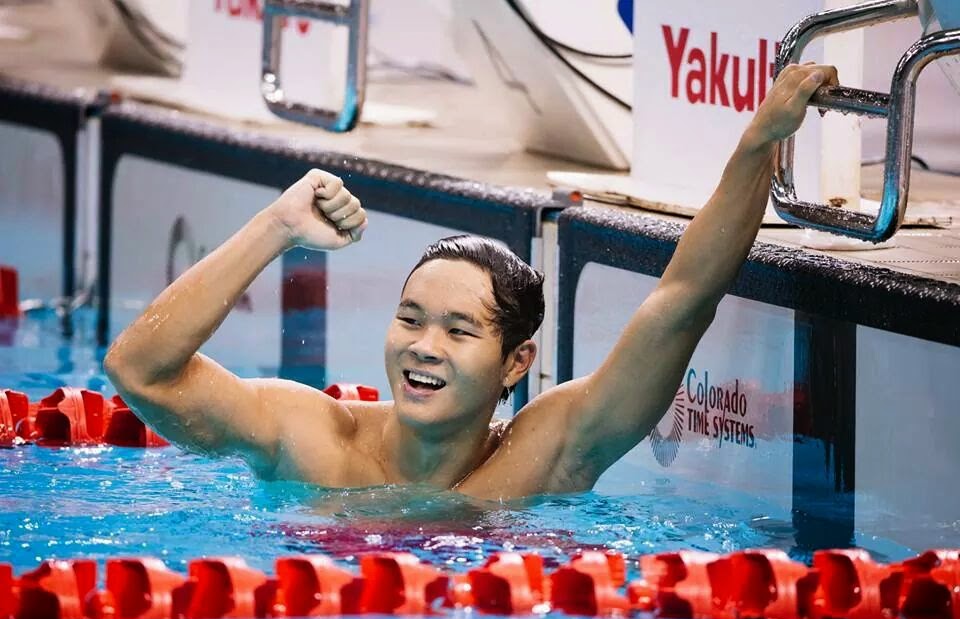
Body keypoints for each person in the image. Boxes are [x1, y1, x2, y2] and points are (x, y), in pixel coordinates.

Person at [104, 64, 837, 501]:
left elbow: (680, 304)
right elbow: (141, 371)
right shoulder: (311, 439)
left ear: (519, 360)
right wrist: (277, 225)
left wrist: (756, 147)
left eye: (459, 330)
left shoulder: (543, 457)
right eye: (410, 318)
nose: (424, 347)